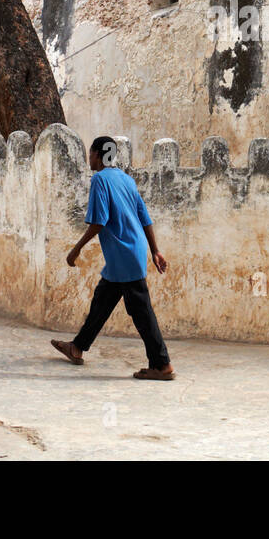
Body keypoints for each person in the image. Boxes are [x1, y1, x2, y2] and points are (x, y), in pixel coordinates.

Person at [51, 136, 174, 380]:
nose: (89, 159)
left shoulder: (100, 180)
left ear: (98, 154)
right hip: (132, 252)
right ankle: (77, 347)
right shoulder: (126, 179)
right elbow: (145, 217)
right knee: (103, 300)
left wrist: (76, 250)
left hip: (123, 255)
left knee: (141, 311)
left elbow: (98, 222)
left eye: (90, 154)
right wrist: (155, 250)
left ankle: (162, 365)